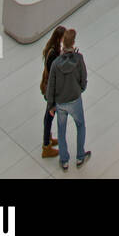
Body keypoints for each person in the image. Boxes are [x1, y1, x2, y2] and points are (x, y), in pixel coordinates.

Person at [46, 28, 91, 170]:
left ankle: (64, 160)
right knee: (80, 125)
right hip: (75, 99)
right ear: (73, 43)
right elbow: (83, 78)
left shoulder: (56, 64)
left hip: (60, 102)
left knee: (61, 130)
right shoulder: (79, 59)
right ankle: (79, 156)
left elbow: (51, 86)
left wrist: (50, 105)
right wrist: (80, 89)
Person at [39, 25, 66, 158]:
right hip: (52, 90)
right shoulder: (53, 54)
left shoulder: (52, 50)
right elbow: (55, 73)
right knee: (49, 116)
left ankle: (48, 139)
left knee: (48, 116)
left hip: (49, 88)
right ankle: (46, 146)